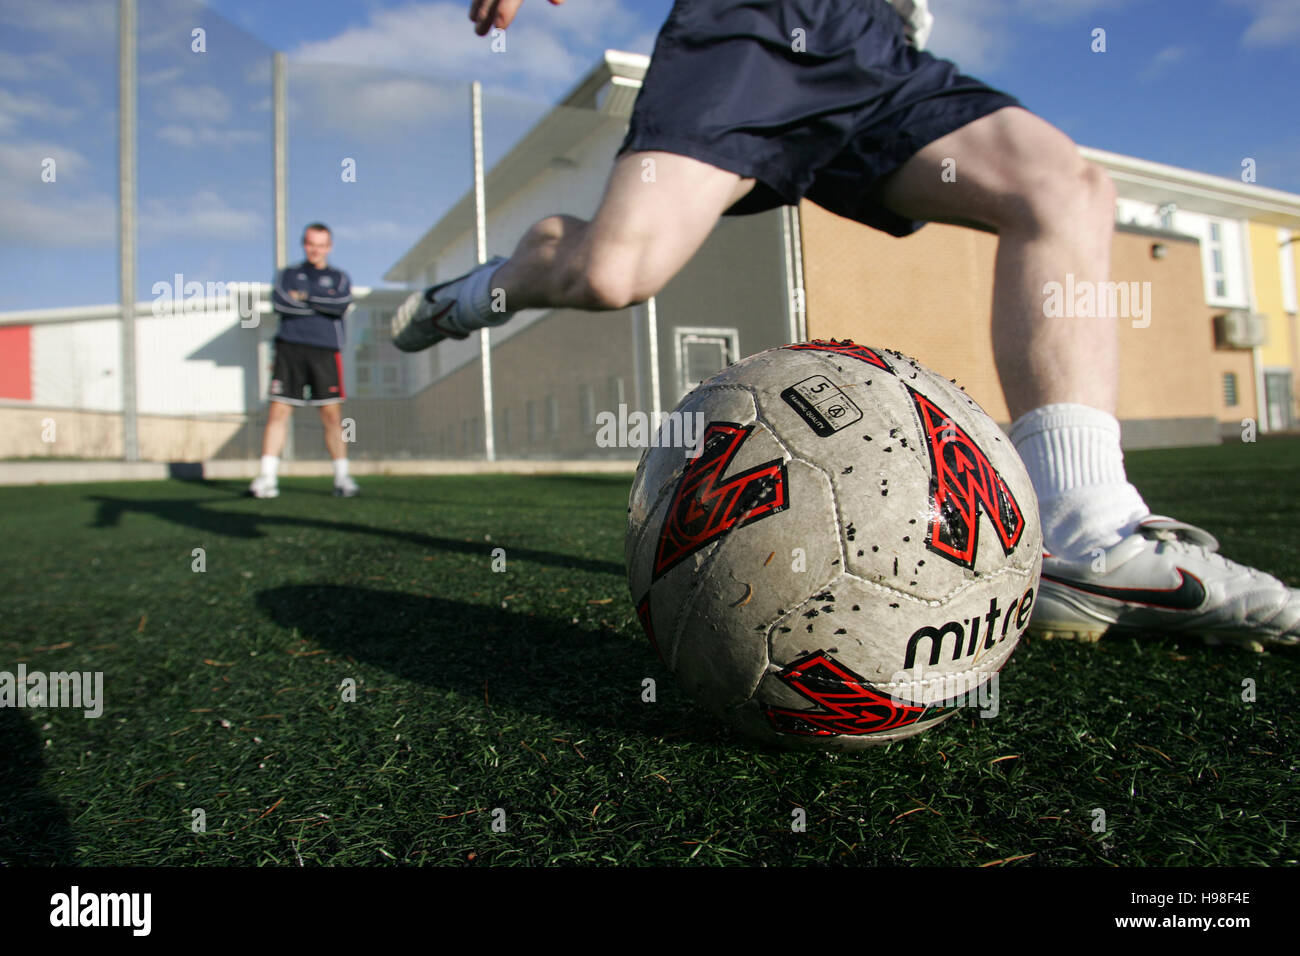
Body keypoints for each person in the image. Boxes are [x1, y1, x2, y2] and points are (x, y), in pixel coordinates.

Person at [392, 0, 1298, 647]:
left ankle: (1086, 536)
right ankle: (473, 294)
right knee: (612, 270)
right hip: (752, 28)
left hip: (878, 43)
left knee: (1064, 186)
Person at [249, 222, 360, 498]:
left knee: (332, 415)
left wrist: (307, 298)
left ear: (329, 247)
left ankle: (342, 478)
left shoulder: (340, 277)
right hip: (290, 349)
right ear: (304, 244)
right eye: (311, 244)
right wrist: (321, 302)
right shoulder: (288, 274)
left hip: (325, 350)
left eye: (321, 245)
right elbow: (282, 303)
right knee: (278, 412)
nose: (316, 249)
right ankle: (267, 478)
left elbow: (341, 305)